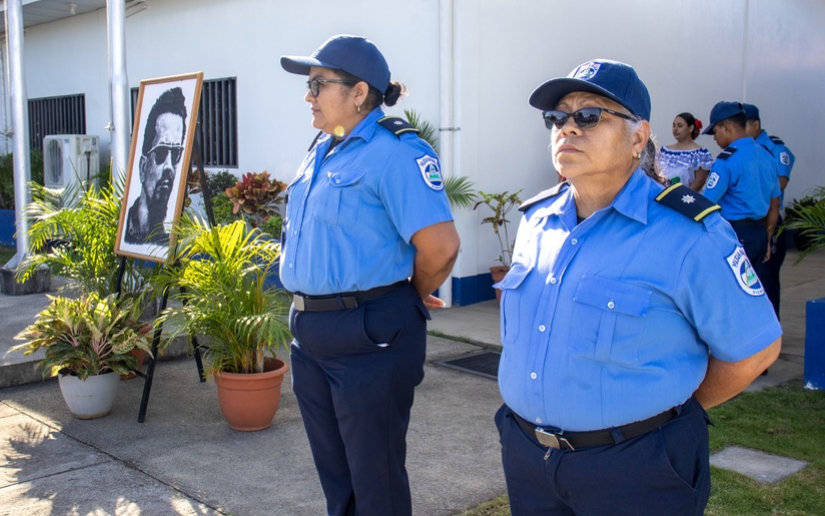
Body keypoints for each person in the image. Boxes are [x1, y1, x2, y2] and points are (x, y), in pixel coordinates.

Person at [495, 59, 781, 516]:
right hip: (529, 458)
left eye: (588, 116)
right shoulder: (536, 220)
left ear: (638, 137)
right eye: (557, 118)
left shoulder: (689, 234)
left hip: (635, 469)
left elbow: (756, 351)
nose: (567, 128)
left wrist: (666, 417)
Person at [279, 34, 460, 516]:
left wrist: (408, 296)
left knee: (374, 479)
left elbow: (440, 249)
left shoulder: (395, 151)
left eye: (319, 84)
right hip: (309, 332)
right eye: (309, 85)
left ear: (359, 92)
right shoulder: (323, 148)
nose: (308, 95)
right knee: (336, 477)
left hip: (368, 334)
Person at [702, 101, 781, 283]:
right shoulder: (767, 155)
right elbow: (774, 204)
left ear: (727, 127)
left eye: (715, 132)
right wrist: (767, 238)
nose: (715, 139)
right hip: (760, 235)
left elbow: (707, 205)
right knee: (753, 290)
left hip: (734, 235)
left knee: (729, 288)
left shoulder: (726, 161)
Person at [744, 103, 795, 318]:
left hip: (768, 220)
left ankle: (771, 328)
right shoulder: (741, 150)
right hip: (746, 224)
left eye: (742, 125)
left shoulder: (775, 149)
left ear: (755, 125)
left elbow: (779, 183)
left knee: (767, 277)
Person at [125, 87, 187, 245]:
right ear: (142, 167)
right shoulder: (126, 230)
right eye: (160, 153)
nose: (169, 167)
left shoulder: (171, 234)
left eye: (176, 154)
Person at [656, 112, 713, 190]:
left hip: (687, 198)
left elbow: (700, 181)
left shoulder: (700, 154)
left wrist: (683, 197)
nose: (675, 129)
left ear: (691, 128)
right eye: (674, 126)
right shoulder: (664, 151)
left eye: (680, 126)